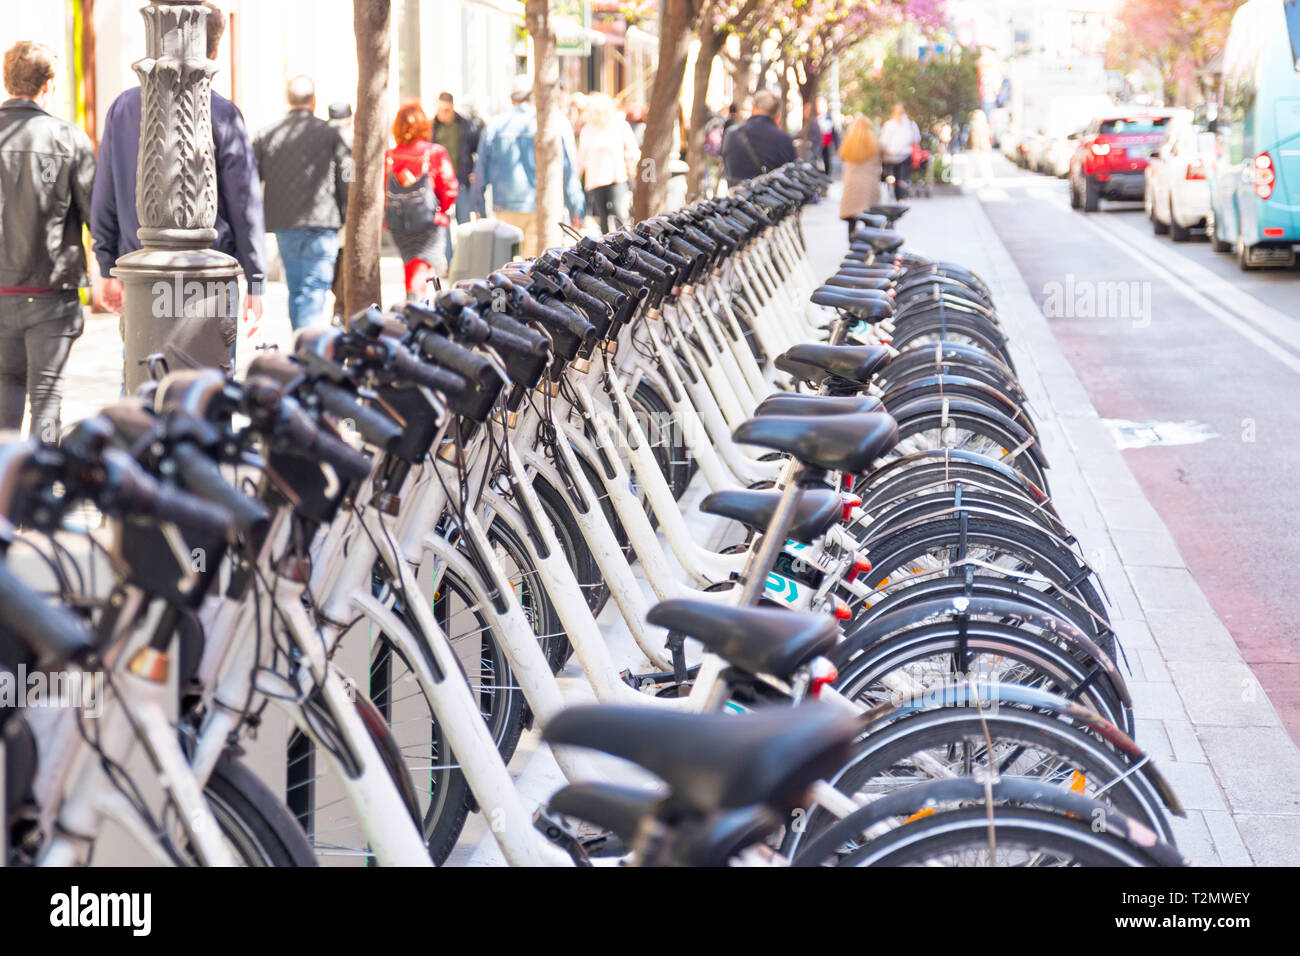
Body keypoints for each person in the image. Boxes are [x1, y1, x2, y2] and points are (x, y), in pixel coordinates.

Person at [90, 2, 265, 341]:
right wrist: (256, 280)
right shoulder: (224, 114)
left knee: (145, 378)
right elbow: (245, 204)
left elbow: (105, 194)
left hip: (140, 273)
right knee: (208, 384)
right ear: (212, 50)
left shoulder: (123, 108)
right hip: (208, 275)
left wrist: (107, 264)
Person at [0, 41, 96, 442]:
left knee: (5, 391)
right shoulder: (69, 138)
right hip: (50, 293)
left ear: (7, 80)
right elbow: (97, 213)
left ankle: (5, 489)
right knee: (46, 397)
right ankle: (39, 487)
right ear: (48, 85)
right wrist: (110, 272)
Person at [253, 76, 351, 331]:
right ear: (313, 100)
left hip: (286, 224)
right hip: (322, 222)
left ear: (287, 100)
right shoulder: (330, 134)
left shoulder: (267, 135)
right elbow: (345, 177)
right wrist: (343, 213)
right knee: (313, 290)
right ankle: (308, 352)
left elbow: (252, 178)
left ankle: (302, 346)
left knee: (297, 290)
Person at [471, 75, 585, 258]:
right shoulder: (555, 123)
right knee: (538, 268)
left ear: (511, 98)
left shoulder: (495, 126)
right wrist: (577, 208)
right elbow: (569, 170)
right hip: (544, 207)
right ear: (534, 96)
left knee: (509, 270)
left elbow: (480, 171)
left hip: (505, 207)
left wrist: (478, 208)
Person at [384, 102, 458, 300]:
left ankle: (417, 306)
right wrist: (442, 209)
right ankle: (415, 308)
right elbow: (450, 187)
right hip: (428, 223)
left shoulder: (390, 156)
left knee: (413, 267)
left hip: (399, 224)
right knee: (420, 268)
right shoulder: (434, 152)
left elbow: (383, 191)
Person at [431, 91, 482, 264]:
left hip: (460, 180)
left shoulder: (465, 125)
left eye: (445, 110)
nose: (442, 114)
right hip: (439, 183)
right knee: (442, 223)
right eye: (439, 110)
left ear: (452, 108)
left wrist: (474, 170)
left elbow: (478, 148)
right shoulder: (432, 127)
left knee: (464, 222)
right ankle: (449, 260)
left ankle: (464, 260)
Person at [577, 94, 638, 233]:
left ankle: (626, 246)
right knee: (602, 218)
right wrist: (577, 176)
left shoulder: (620, 125)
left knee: (620, 214)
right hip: (596, 180)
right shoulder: (587, 130)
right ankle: (608, 250)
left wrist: (630, 159)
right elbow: (581, 156)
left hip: (616, 177)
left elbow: (632, 149)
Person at [720, 90, 797, 185]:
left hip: (736, 197)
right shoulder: (784, 139)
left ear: (752, 108)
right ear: (778, 115)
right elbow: (791, 175)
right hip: (771, 198)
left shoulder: (730, 134)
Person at [327, 101, 353, 322]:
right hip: (340, 213)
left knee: (338, 261)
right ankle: (339, 309)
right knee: (342, 261)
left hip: (325, 213)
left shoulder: (322, 138)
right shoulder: (349, 140)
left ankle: (340, 307)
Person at [837, 117, 882, 239]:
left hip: (852, 183)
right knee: (869, 217)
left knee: (852, 218)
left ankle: (852, 243)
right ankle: (869, 244)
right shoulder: (875, 143)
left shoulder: (848, 143)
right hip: (869, 184)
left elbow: (841, 156)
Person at [879, 102, 920, 199]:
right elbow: (916, 139)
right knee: (902, 179)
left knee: (889, 178)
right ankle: (901, 199)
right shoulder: (911, 124)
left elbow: (884, 142)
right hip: (905, 155)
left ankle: (889, 196)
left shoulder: (889, 124)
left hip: (889, 157)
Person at [816, 99, 838, 174]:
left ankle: (826, 174)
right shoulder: (815, 118)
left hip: (827, 144)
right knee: (818, 160)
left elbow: (834, 133)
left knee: (827, 161)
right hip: (819, 144)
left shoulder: (829, 118)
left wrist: (836, 146)